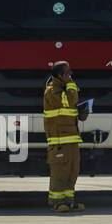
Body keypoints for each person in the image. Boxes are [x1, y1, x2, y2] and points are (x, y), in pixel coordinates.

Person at [43, 60, 89, 213]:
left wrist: (82, 112)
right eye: (68, 73)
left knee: (72, 171)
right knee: (59, 173)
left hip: (71, 139)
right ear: (60, 75)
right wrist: (71, 86)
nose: (71, 76)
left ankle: (69, 201)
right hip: (59, 141)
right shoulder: (51, 91)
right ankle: (56, 202)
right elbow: (69, 101)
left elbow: (71, 107)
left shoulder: (65, 90)